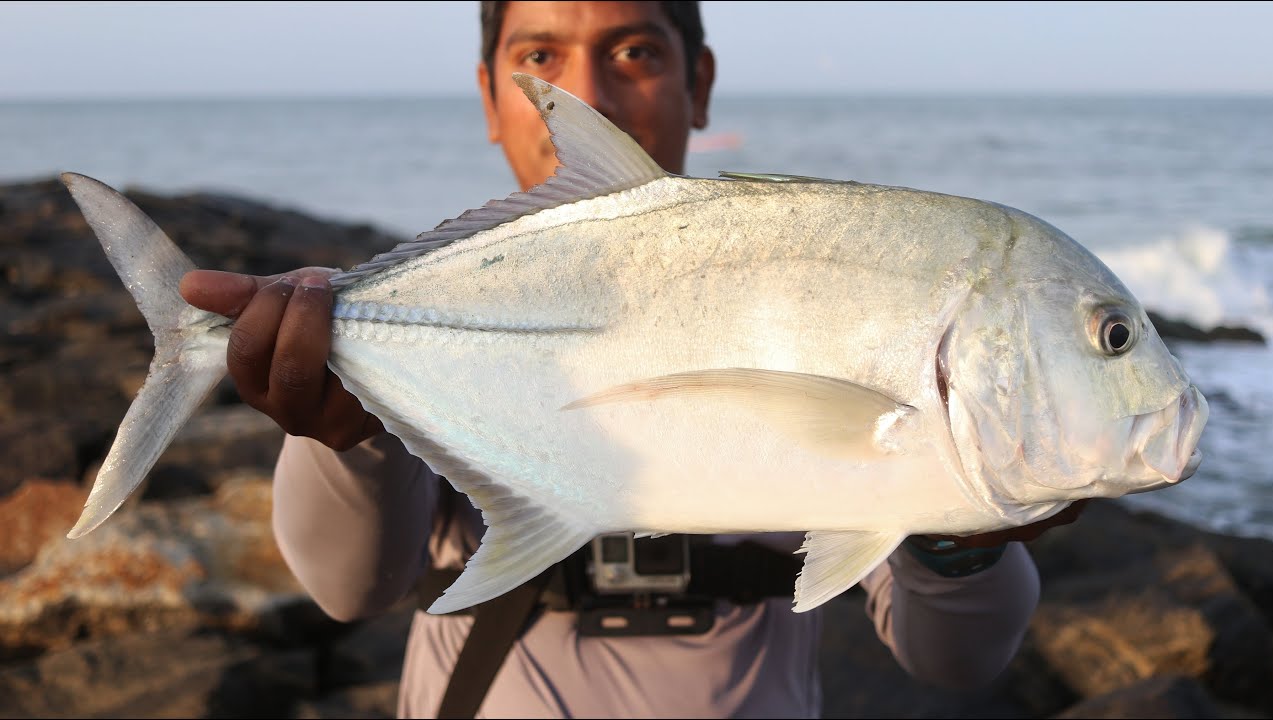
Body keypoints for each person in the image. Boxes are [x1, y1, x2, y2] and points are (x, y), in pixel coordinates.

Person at [178, 2, 1085, 717]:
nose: (596, 98)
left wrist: (957, 544)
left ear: (701, 81)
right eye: (540, 60)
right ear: (492, 97)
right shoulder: (453, 306)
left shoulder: (814, 287)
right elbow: (349, 588)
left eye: (635, 54)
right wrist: (351, 440)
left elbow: (957, 660)